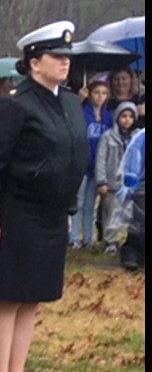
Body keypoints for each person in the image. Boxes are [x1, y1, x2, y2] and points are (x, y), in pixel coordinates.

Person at [0, 22, 85, 372]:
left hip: (50, 215)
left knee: (32, 297)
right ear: (35, 62)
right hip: (14, 212)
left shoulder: (67, 102)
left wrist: (68, 211)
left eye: (67, 56)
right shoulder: (15, 105)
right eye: (56, 56)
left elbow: (71, 158)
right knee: (7, 296)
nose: (65, 63)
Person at [95, 102, 139, 252]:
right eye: (124, 116)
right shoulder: (108, 136)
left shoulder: (138, 136)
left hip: (132, 184)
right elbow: (100, 159)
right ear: (117, 117)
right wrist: (101, 181)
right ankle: (110, 240)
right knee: (111, 212)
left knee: (132, 213)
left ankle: (130, 241)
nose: (127, 120)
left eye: (130, 116)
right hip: (113, 182)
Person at [74, 78, 112, 248]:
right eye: (96, 93)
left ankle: (88, 238)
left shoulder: (108, 116)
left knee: (90, 204)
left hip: (97, 166)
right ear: (89, 94)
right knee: (78, 202)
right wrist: (79, 99)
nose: (100, 96)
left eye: (103, 93)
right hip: (83, 163)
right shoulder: (83, 112)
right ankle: (74, 237)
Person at [119, 127, 145, 271]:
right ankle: (132, 254)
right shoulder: (141, 137)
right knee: (139, 225)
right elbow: (131, 163)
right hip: (142, 187)